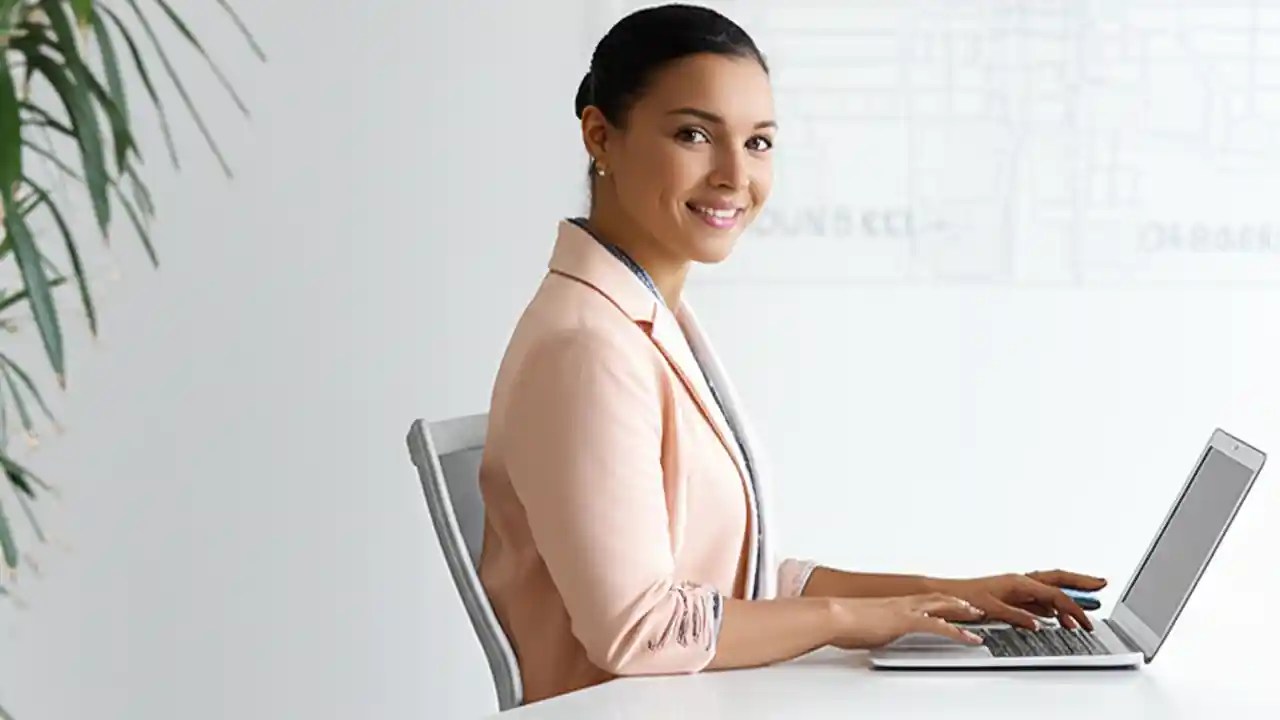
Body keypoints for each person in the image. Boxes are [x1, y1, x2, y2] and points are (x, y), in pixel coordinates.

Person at [476, 3, 1107, 706]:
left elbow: (735, 581)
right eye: (694, 135)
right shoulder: (588, 347)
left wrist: (953, 596)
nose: (733, 175)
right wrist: (848, 621)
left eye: (758, 143)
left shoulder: (646, 320)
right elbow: (642, 631)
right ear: (601, 135)